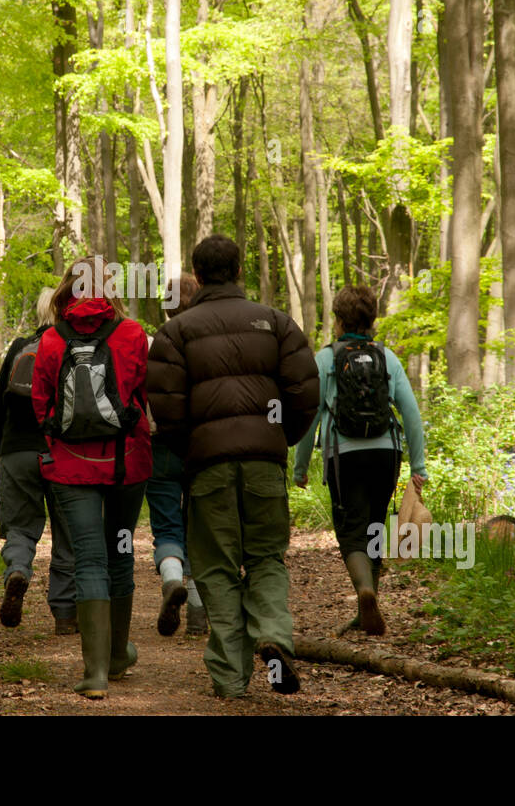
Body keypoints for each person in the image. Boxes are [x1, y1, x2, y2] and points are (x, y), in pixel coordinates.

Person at [148, 235, 319, 699]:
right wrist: (277, 437)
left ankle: (229, 677)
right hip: (264, 462)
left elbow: (166, 409)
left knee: (217, 568)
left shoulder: (174, 334)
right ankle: (273, 635)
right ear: (240, 269)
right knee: (265, 557)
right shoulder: (277, 323)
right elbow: (305, 394)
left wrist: (194, 447)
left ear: (198, 275)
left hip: (208, 469)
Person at [31, 256, 152, 699]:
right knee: (120, 553)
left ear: (67, 288)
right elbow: (140, 392)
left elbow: (42, 407)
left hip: (69, 466)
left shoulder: (49, 340)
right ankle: (118, 655)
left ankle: (95, 674)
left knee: (88, 559)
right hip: (127, 464)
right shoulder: (133, 334)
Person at [292, 284, 428, 637]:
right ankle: (369, 605)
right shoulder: (388, 357)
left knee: (350, 532)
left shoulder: (325, 359)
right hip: (387, 453)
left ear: (338, 321)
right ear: (373, 320)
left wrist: (300, 466)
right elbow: (411, 414)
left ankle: (364, 592)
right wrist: (419, 467)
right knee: (374, 526)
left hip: (345, 456)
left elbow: (310, 417)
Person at [0, 288, 78, 634]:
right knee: (67, 536)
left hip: (16, 451)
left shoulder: (19, 347)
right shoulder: (73, 349)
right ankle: (66, 615)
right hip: (61, 453)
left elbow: (0, 403)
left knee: (20, 527)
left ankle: (18, 571)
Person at [145, 273, 206, 636]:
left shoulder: (154, 344)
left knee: (167, 526)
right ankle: (199, 611)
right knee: (198, 527)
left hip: (160, 444)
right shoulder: (207, 343)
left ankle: (171, 580)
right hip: (200, 446)